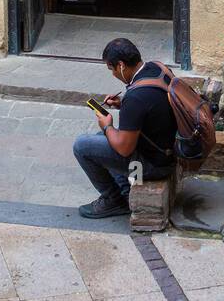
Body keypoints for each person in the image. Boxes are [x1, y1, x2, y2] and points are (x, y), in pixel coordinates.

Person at [73, 37, 176, 218]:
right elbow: (152, 108)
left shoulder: (136, 97)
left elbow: (124, 148)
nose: (113, 74)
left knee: (82, 146)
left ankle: (113, 200)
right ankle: (126, 191)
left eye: (111, 69)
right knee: (100, 140)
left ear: (121, 65)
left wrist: (107, 126)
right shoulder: (158, 69)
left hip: (152, 166)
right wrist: (123, 105)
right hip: (167, 151)